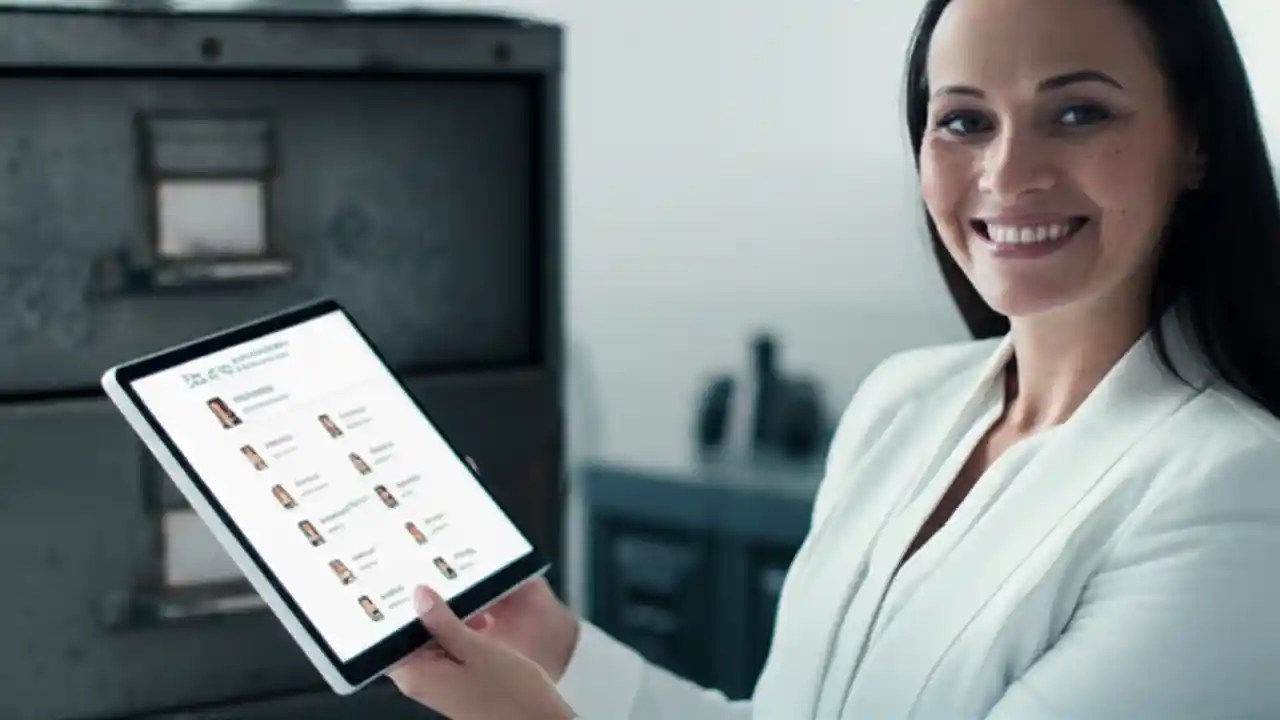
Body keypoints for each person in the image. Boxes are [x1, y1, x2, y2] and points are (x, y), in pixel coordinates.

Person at [387, 0, 1280, 718]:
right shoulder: (903, 403)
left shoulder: (1234, 486)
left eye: (1078, 113)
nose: (1009, 173)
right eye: (964, 120)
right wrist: (550, 645)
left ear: (1196, 140)